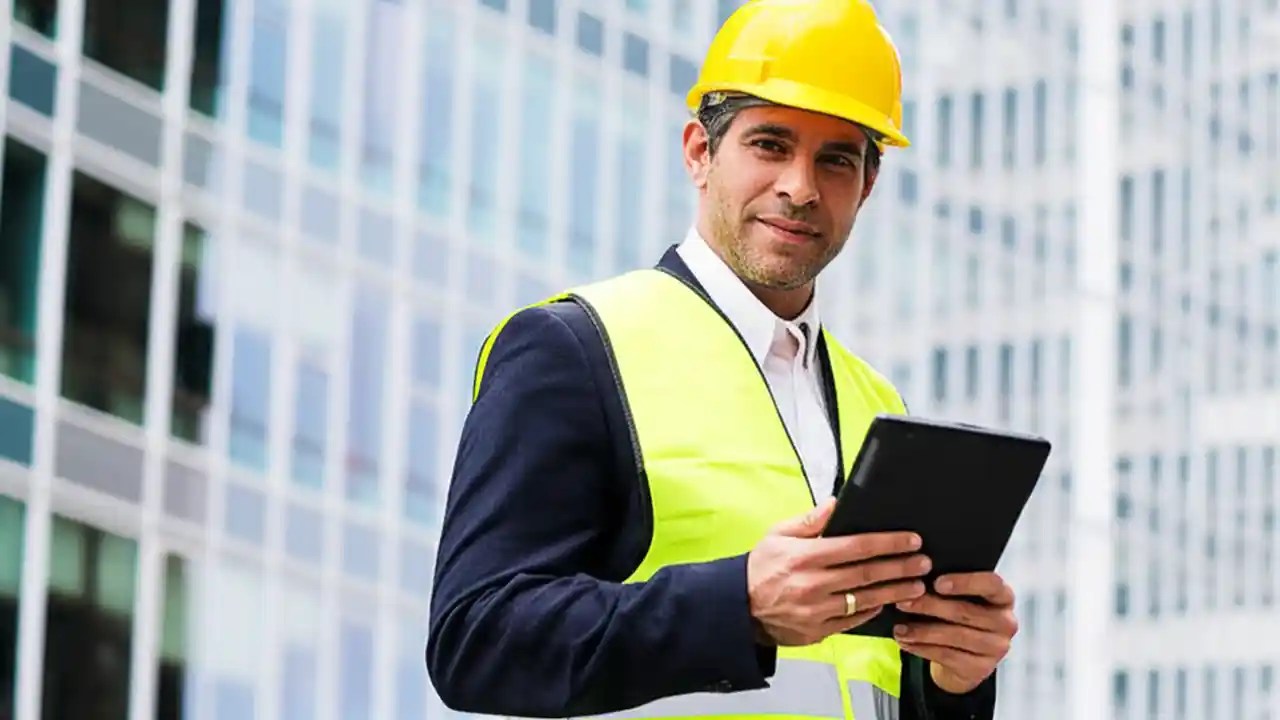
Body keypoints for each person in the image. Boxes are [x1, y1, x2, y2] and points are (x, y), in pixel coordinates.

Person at [427, 1, 1020, 717]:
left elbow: (871, 684)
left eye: (835, 159)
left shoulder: (878, 406)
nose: (800, 187)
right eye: (771, 145)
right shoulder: (575, 348)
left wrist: (958, 677)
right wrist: (738, 606)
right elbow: (476, 638)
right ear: (699, 152)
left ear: (867, 186)